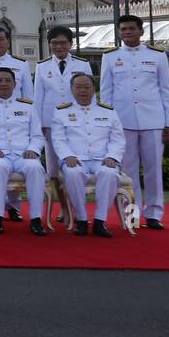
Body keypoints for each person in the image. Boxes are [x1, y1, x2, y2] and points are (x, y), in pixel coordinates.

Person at [99, 14, 169, 229]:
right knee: (128, 172)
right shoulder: (110, 57)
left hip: (153, 120)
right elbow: (106, 94)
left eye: (131, 28)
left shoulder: (158, 56)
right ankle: (131, 215)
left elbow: (166, 91)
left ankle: (154, 214)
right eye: (123, 29)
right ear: (119, 32)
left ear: (141, 31)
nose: (127, 32)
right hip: (123, 122)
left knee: (153, 170)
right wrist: (108, 124)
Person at [0, 67, 46, 236]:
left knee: (35, 168)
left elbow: (37, 136)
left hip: (23, 154)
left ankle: (36, 219)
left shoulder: (27, 106)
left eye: (7, 80)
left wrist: (33, 150)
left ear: (15, 84)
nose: (4, 84)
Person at [52, 72, 125, 238]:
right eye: (78, 87)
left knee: (109, 173)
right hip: (75, 158)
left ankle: (100, 221)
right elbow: (58, 139)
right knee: (73, 173)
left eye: (87, 87)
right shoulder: (61, 111)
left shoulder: (108, 111)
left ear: (94, 89)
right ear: (71, 89)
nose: (82, 90)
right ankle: (82, 219)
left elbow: (117, 138)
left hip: (102, 158)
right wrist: (67, 156)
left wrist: (113, 156)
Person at [33, 26, 93, 184]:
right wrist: (39, 124)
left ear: (70, 44)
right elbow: (38, 97)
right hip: (50, 122)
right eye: (54, 43)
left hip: (77, 121)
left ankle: (74, 201)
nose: (59, 47)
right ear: (49, 45)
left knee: (76, 162)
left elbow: (89, 93)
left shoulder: (82, 65)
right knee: (52, 167)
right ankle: (57, 202)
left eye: (63, 43)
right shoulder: (42, 66)